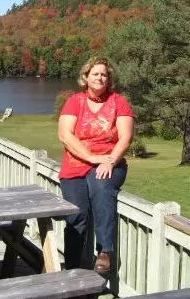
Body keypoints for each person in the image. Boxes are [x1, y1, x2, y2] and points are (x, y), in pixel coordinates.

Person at [58, 56, 134, 273]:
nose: (100, 77)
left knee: (101, 186)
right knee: (77, 215)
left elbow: (125, 137)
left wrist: (110, 160)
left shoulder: (119, 101)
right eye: (96, 74)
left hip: (110, 162)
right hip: (75, 165)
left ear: (108, 79)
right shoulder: (75, 101)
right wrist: (91, 157)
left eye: (104, 74)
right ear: (86, 77)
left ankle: (104, 251)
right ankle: (71, 268)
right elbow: (65, 135)